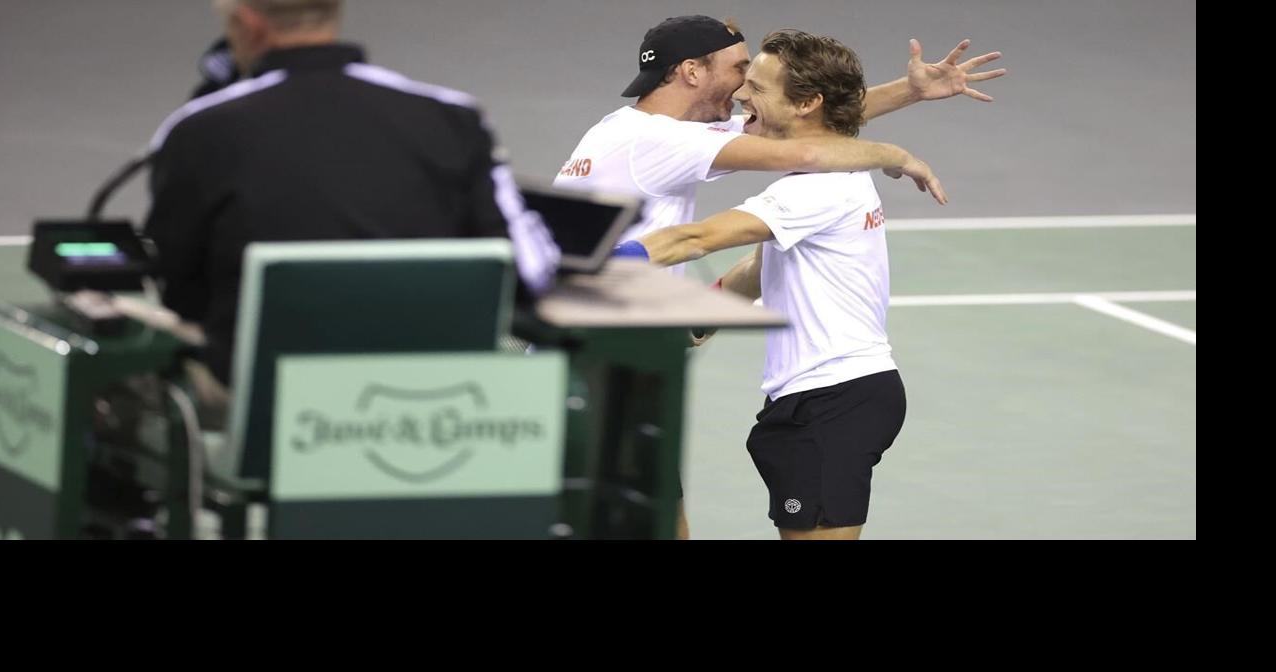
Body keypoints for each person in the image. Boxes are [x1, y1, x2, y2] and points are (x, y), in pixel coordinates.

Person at [144, 0, 557, 395]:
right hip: (436, 405)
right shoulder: (455, 118)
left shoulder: (195, 131)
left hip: (258, 411)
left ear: (248, 24)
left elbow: (178, 291)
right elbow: (528, 271)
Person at [627, 29, 923, 539]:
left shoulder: (819, 189)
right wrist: (699, 319)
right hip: (816, 400)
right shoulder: (826, 175)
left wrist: (583, 266)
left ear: (808, 103)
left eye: (759, 88)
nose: (742, 95)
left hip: (835, 401)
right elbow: (759, 268)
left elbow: (697, 237)